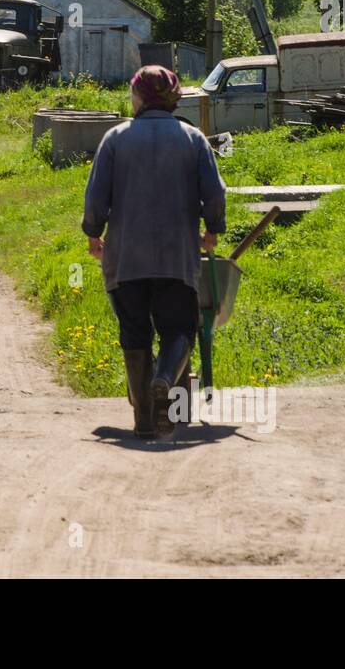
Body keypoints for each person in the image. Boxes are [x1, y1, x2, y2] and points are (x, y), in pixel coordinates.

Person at [81, 65, 226, 440]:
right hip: (177, 257)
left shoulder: (115, 138)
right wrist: (212, 229)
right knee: (179, 328)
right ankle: (165, 378)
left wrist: (94, 234)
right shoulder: (193, 139)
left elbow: (96, 195)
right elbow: (215, 193)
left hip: (126, 256)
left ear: (140, 97)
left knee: (134, 332)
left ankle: (144, 420)